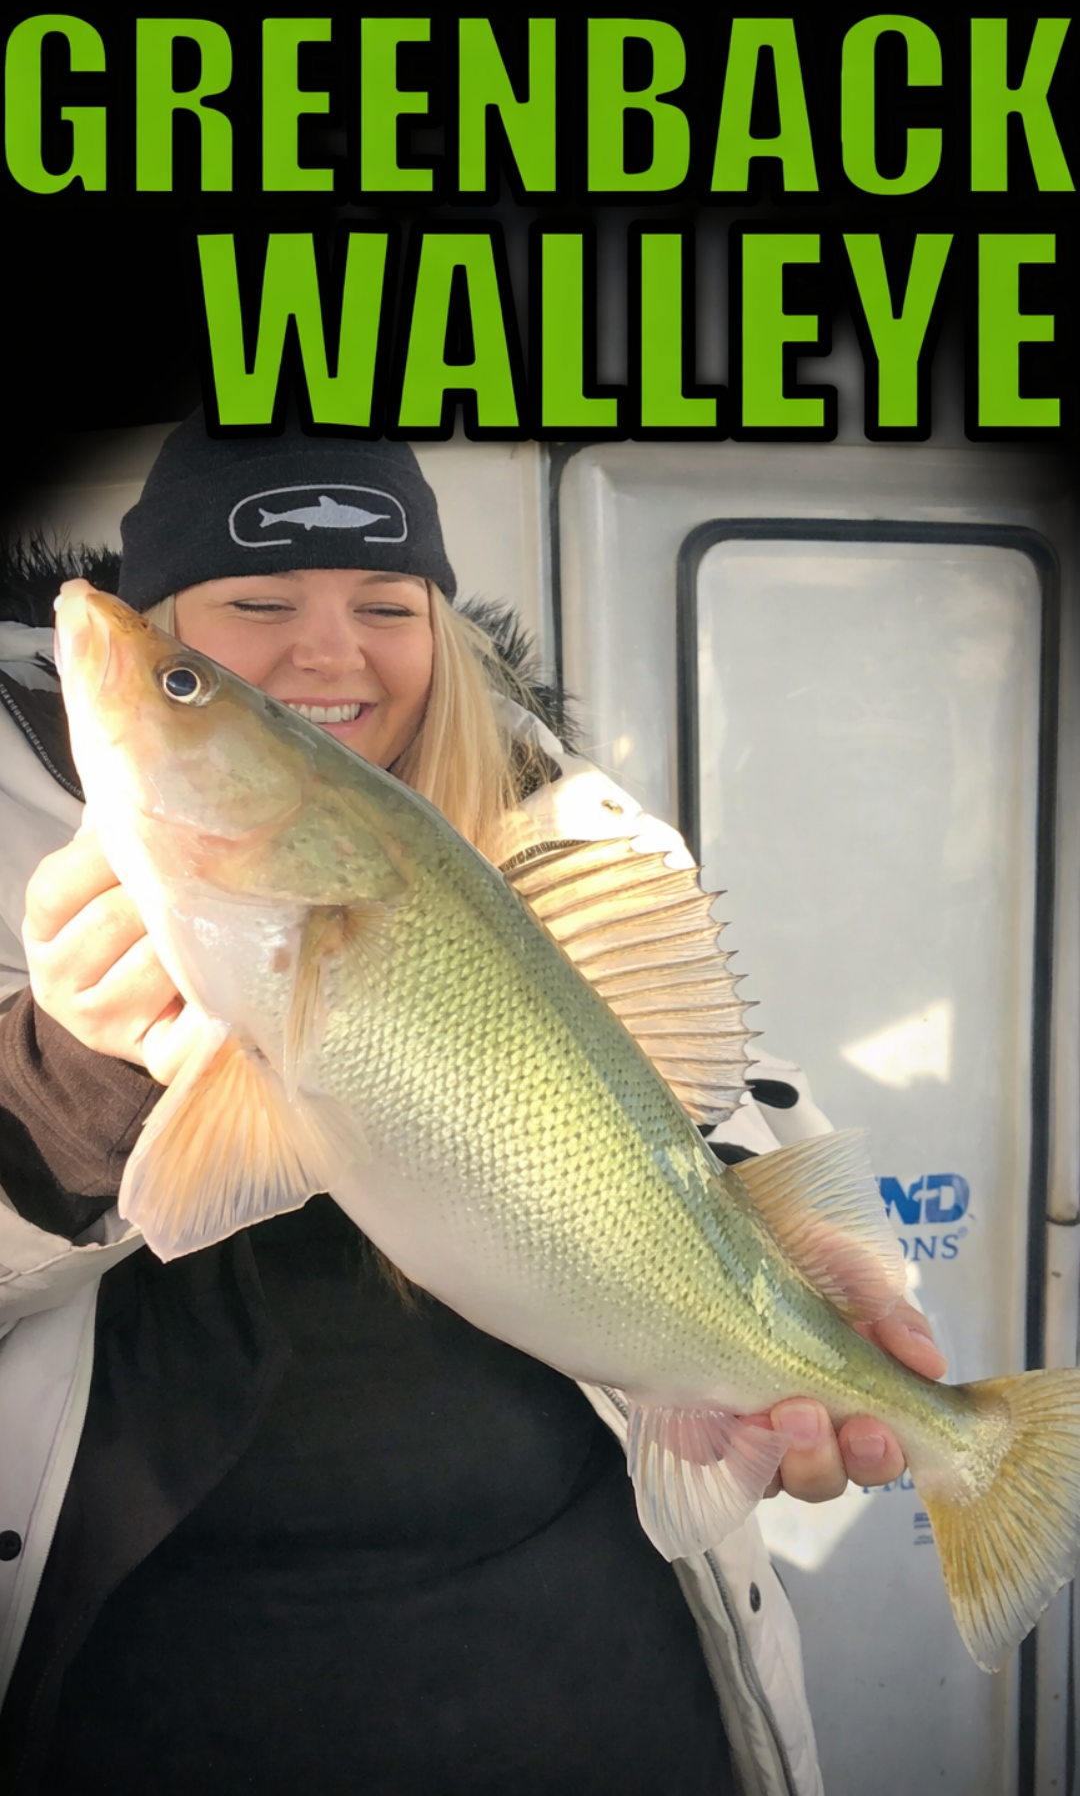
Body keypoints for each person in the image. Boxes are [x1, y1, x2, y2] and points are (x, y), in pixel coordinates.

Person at [0, 415, 945, 1795]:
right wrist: (66, 1079)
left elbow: (705, 1113)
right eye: (250, 612)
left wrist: (807, 1266)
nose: (331, 653)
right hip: (167, 1687)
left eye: (388, 605)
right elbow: (196, 1169)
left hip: (595, 1656)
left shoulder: (570, 828)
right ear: (163, 612)